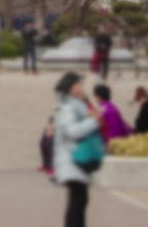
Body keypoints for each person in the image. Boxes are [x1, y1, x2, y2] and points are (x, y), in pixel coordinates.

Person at [52, 71, 101, 227]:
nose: (81, 88)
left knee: (80, 200)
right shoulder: (68, 107)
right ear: (71, 87)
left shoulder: (76, 104)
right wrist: (94, 122)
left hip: (76, 158)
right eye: (79, 84)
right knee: (78, 200)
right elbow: (72, 131)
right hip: (72, 158)